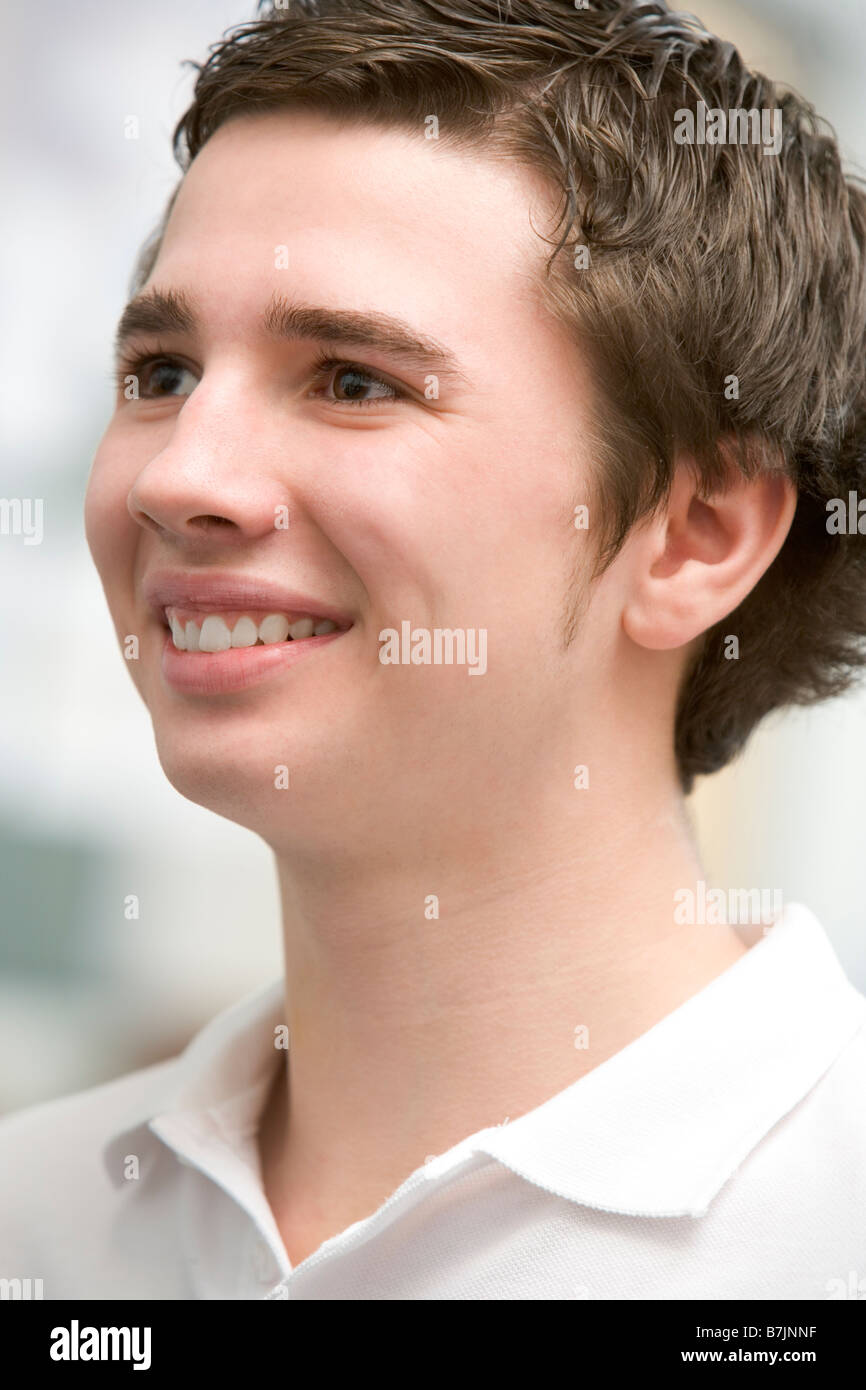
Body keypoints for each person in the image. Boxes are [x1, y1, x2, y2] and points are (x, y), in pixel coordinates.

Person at [2, 0, 865, 1300]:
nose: (181, 478)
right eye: (161, 372)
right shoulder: (38, 1218)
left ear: (692, 534)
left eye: (352, 379)